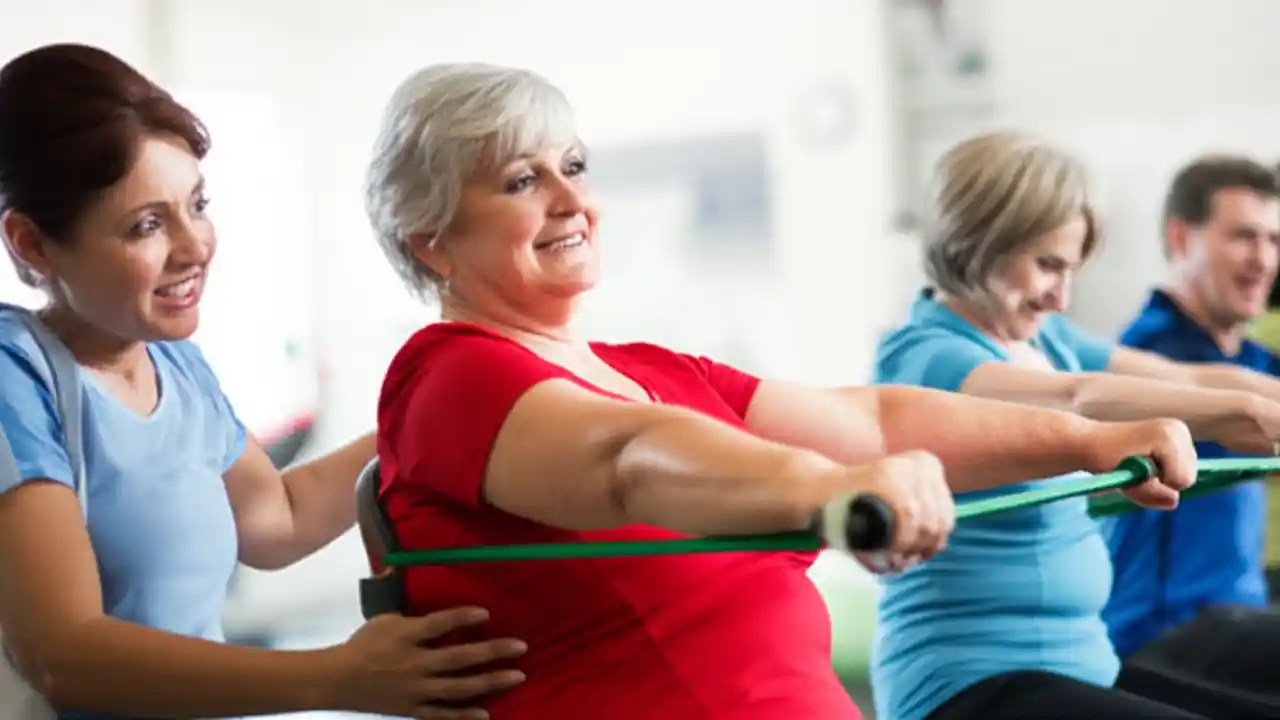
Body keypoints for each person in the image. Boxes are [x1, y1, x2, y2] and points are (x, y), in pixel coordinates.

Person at [365, 63, 1199, 720]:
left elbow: (871, 421)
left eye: (575, 167)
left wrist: (1090, 444)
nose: (572, 200)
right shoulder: (451, 373)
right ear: (432, 241)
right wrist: (826, 488)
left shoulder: (655, 369)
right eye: (521, 181)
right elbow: (628, 459)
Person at [0, 43, 527, 720]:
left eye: (197, 204)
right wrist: (334, 677)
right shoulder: (19, 378)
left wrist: (430, 421)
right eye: (148, 225)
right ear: (32, 244)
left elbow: (275, 518)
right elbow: (64, 655)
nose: (195, 248)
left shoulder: (172, 362)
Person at [872, 130, 1280, 720]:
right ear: (982, 240)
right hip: (971, 685)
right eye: (1047, 266)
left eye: (1073, 270)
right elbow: (1075, 401)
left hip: (1081, 668)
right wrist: (1233, 415)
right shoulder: (926, 356)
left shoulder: (1044, 339)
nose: (1062, 297)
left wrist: (1252, 399)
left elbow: (1187, 378)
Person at [1101, 154, 1280, 711]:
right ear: (1182, 237)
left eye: (1274, 240)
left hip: (1238, 612)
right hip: (1161, 632)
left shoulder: (1251, 356)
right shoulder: (1151, 351)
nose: (1264, 259)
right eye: (1244, 237)